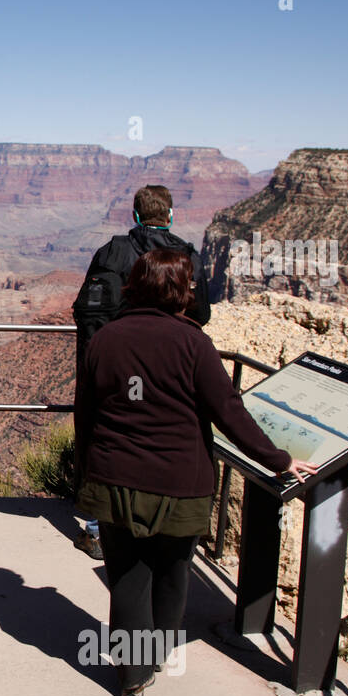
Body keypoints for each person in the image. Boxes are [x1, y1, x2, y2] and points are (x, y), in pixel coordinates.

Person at [73, 249, 316, 696]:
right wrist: (278, 459)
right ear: (182, 292)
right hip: (179, 484)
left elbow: (85, 414)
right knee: (172, 571)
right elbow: (228, 411)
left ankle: (131, 674)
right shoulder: (193, 344)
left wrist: (88, 470)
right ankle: (155, 653)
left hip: (113, 479)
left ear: (135, 285)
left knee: (127, 575)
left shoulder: (106, 338)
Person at [71, 184, 211, 560]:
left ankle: (102, 529)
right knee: (162, 433)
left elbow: (89, 306)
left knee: (113, 434)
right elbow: (203, 314)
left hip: (117, 363)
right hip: (171, 366)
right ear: (171, 215)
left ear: (134, 215)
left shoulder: (112, 251)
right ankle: (166, 523)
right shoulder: (186, 255)